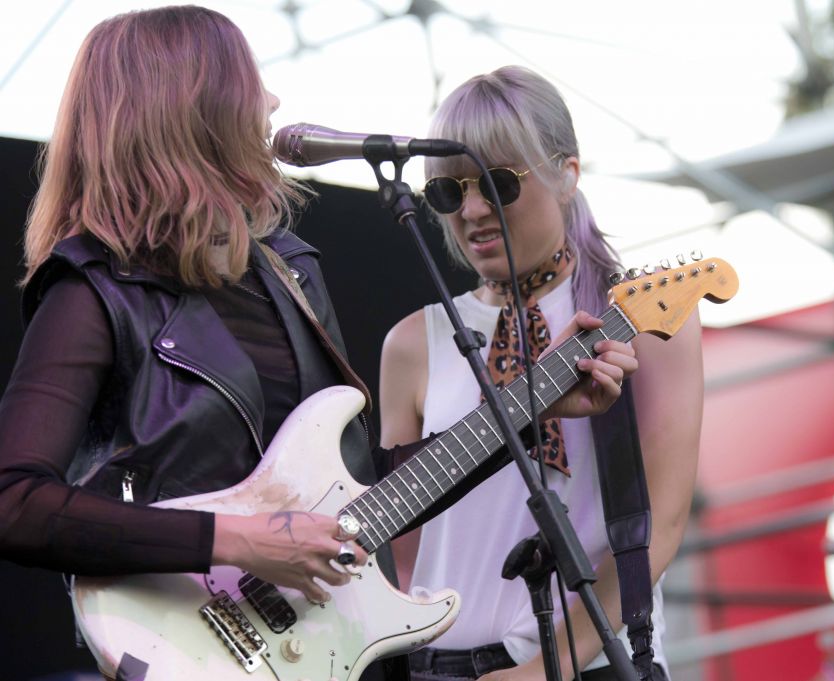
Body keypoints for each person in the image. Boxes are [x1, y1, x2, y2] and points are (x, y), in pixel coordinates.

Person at [0, 8, 636, 679]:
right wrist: (245, 541)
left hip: (327, 652)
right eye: (251, 85)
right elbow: (13, 501)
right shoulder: (93, 290)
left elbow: (363, 489)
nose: (271, 102)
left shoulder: (286, 268)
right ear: (196, 107)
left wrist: (535, 405)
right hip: (193, 649)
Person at [379, 66, 704, 681]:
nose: (472, 210)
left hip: (591, 663)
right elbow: (402, 555)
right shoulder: (411, 344)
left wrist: (540, 671)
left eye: (498, 184)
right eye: (449, 193)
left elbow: (662, 523)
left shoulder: (642, 313)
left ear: (567, 173)